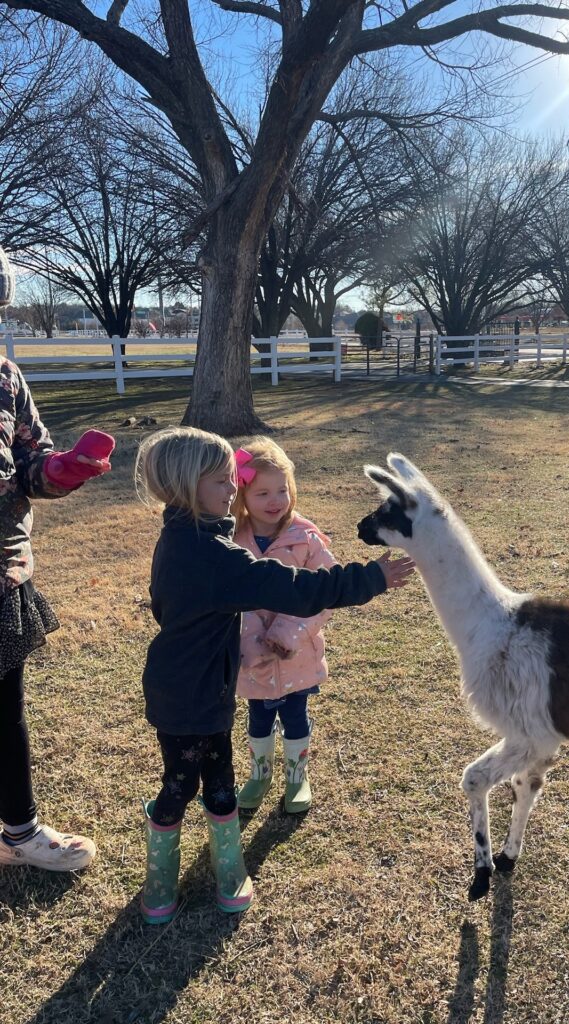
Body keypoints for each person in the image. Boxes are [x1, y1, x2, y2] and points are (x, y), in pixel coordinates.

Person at [134, 426, 414, 923]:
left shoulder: (180, 536)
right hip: (189, 694)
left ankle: (227, 869)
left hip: (197, 687)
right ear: (187, 487)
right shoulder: (213, 554)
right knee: (180, 784)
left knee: (217, 776)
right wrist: (370, 577)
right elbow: (293, 588)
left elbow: (165, 606)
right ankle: (161, 885)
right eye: (222, 481)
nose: (233, 489)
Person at [0, 356, 114, 871]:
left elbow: (27, 461)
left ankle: (18, 834)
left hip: (3, 571)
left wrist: (59, 469)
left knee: (5, 712)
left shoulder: (4, 376)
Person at [231, 438, 335, 815]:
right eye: (262, 493)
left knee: (295, 716)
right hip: (251, 658)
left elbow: (326, 592)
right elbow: (225, 596)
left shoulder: (306, 539)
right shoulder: (231, 541)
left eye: (282, 490)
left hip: (297, 656)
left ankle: (297, 777)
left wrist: (289, 631)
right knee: (258, 718)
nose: (275, 500)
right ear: (242, 495)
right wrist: (249, 641)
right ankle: (259, 775)